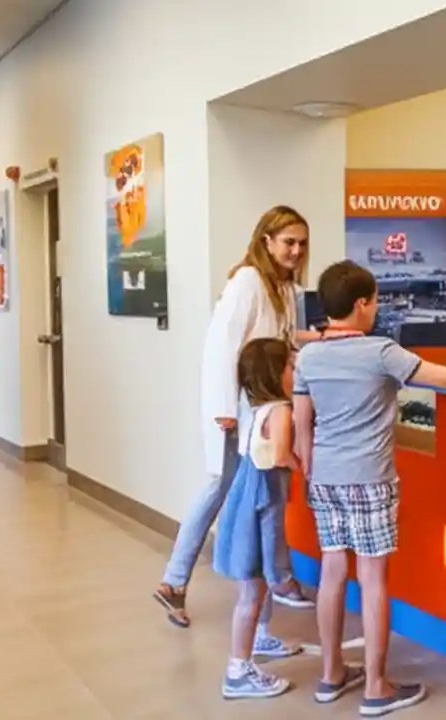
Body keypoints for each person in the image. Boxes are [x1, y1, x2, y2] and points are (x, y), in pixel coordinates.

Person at [293, 260, 446, 717]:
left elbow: (303, 424)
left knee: (331, 573)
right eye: (376, 300)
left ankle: (331, 674)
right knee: (373, 578)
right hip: (368, 477)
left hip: (324, 477)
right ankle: (377, 687)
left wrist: (311, 470)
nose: (378, 307)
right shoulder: (381, 351)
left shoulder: (309, 356)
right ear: (362, 305)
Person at [153, 206, 314, 631]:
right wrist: (224, 409)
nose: (296, 251)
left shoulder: (283, 287)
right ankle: (184, 581)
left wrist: (318, 337)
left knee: (253, 490)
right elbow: (222, 345)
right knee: (227, 487)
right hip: (239, 409)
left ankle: (194, 583)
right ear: (266, 241)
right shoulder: (247, 281)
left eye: (301, 243)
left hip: (257, 404)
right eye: (288, 242)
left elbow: (276, 338)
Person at [213, 338, 299, 700]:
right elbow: (280, 455)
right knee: (253, 589)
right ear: (275, 374)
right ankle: (238, 671)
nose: (295, 374)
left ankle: (258, 639)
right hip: (262, 499)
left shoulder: (254, 407)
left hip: (247, 495)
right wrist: (305, 465)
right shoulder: (280, 410)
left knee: (254, 587)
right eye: (291, 367)